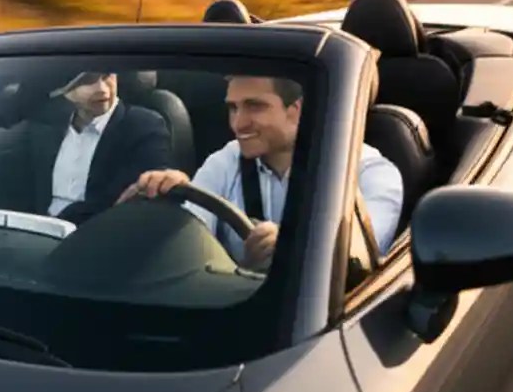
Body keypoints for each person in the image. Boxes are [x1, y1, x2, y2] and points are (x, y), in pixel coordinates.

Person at [118, 74, 402, 271]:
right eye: (233, 108)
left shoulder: (370, 174)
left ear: (296, 110)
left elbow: (352, 261)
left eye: (255, 106)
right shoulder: (225, 161)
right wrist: (166, 208)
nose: (238, 123)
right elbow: (189, 236)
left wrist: (292, 250)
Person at [0, 71, 173, 225]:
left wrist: (61, 223)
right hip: (37, 232)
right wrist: (25, 69)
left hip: (97, 239)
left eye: (107, 76)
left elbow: (127, 204)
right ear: (65, 87)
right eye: (88, 80)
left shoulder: (143, 125)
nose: (102, 89)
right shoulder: (51, 116)